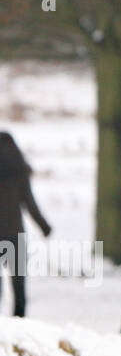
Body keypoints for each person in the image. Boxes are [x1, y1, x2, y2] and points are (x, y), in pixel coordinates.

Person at [0, 132, 54, 317]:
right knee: (18, 285)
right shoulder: (19, 171)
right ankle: (19, 321)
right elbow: (30, 203)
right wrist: (44, 226)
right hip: (15, 234)